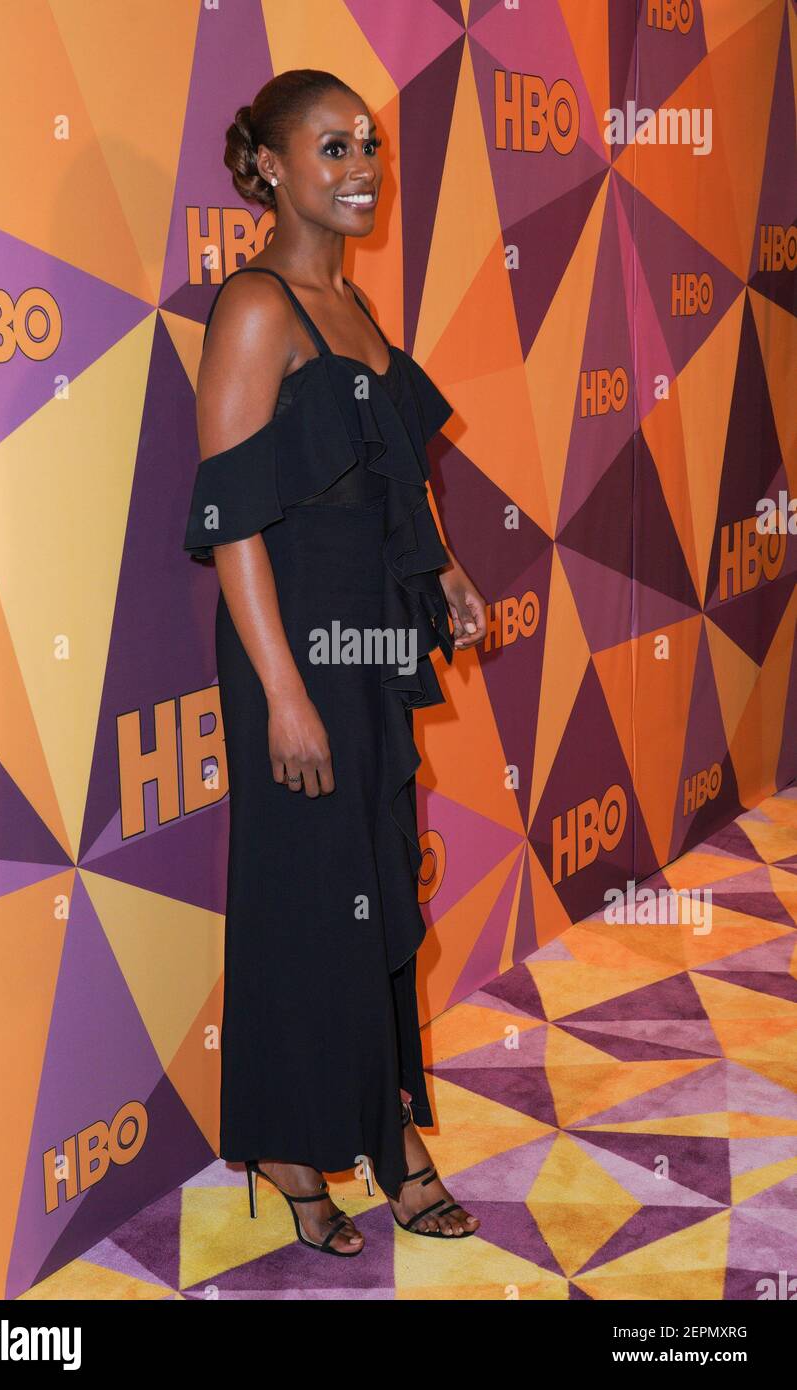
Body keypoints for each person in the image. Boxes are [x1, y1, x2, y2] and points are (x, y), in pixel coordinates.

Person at [184, 69, 486, 1256]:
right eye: (331, 147)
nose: (362, 165)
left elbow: (391, 477)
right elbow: (232, 521)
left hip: (371, 641)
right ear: (268, 166)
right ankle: (299, 1147)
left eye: (369, 144)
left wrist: (448, 573)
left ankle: (382, 1123)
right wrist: (283, 694)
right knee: (303, 898)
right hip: (293, 648)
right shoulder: (256, 307)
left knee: (370, 881)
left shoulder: (356, 311)